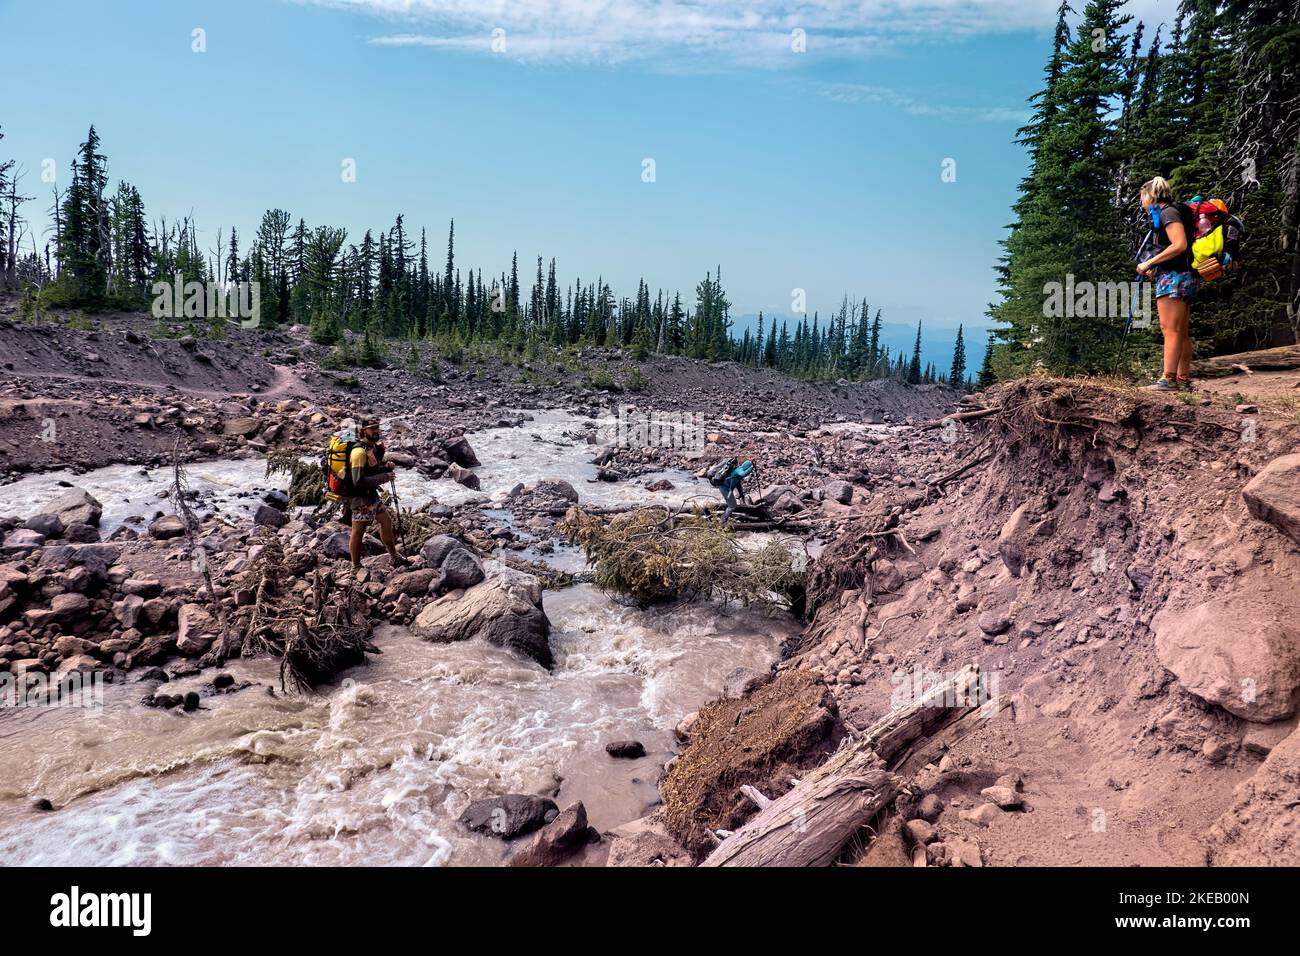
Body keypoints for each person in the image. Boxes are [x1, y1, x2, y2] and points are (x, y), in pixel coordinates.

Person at [1136, 176, 1198, 391]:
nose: (1141, 203)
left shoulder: (1167, 212)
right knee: (1180, 331)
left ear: (1150, 196)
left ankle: (1168, 380)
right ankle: (1182, 380)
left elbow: (1179, 244)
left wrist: (1149, 263)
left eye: (1142, 198)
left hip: (1174, 277)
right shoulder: (1175, 210)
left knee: (1170, 329)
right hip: (1184, 275)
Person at [346, 416, 405, 571]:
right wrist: (385, 477)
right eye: (372, 428)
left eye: (377, 427)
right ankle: (356, 566)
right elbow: (357, 481)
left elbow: (371, 470)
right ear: (363, 431)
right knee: (358, 530)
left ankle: (394, 557)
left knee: (386, 521)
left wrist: (385, 467)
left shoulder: (370, 448)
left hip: (370, 495)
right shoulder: (358, 452)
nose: (376, 431)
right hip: (359, 497)